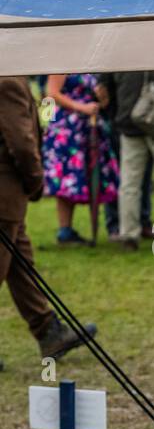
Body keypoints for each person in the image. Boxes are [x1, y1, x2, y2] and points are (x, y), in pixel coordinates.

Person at [1, 75, 98, 369]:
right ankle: (48, 331)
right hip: (5, 193)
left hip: (9, 197)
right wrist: (36, 181)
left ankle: (48, 331)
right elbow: (20, 142)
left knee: (21, 265)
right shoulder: (8, 81)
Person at [102, 69, 154, 249]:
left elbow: (102, 90)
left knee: (129, 183)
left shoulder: (117, 53)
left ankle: (128, 233)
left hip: (129, 121)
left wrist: (114, 113)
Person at [40, 73, 118, 246]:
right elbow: (51, 94)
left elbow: (102, 101)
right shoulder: (63, 62)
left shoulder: (89, 64)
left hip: (88, 129)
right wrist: (81, 107)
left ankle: (77, 230)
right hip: (66, 130)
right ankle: (65, 230)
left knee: (85, 179)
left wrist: (101, 96)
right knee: (67, 180)